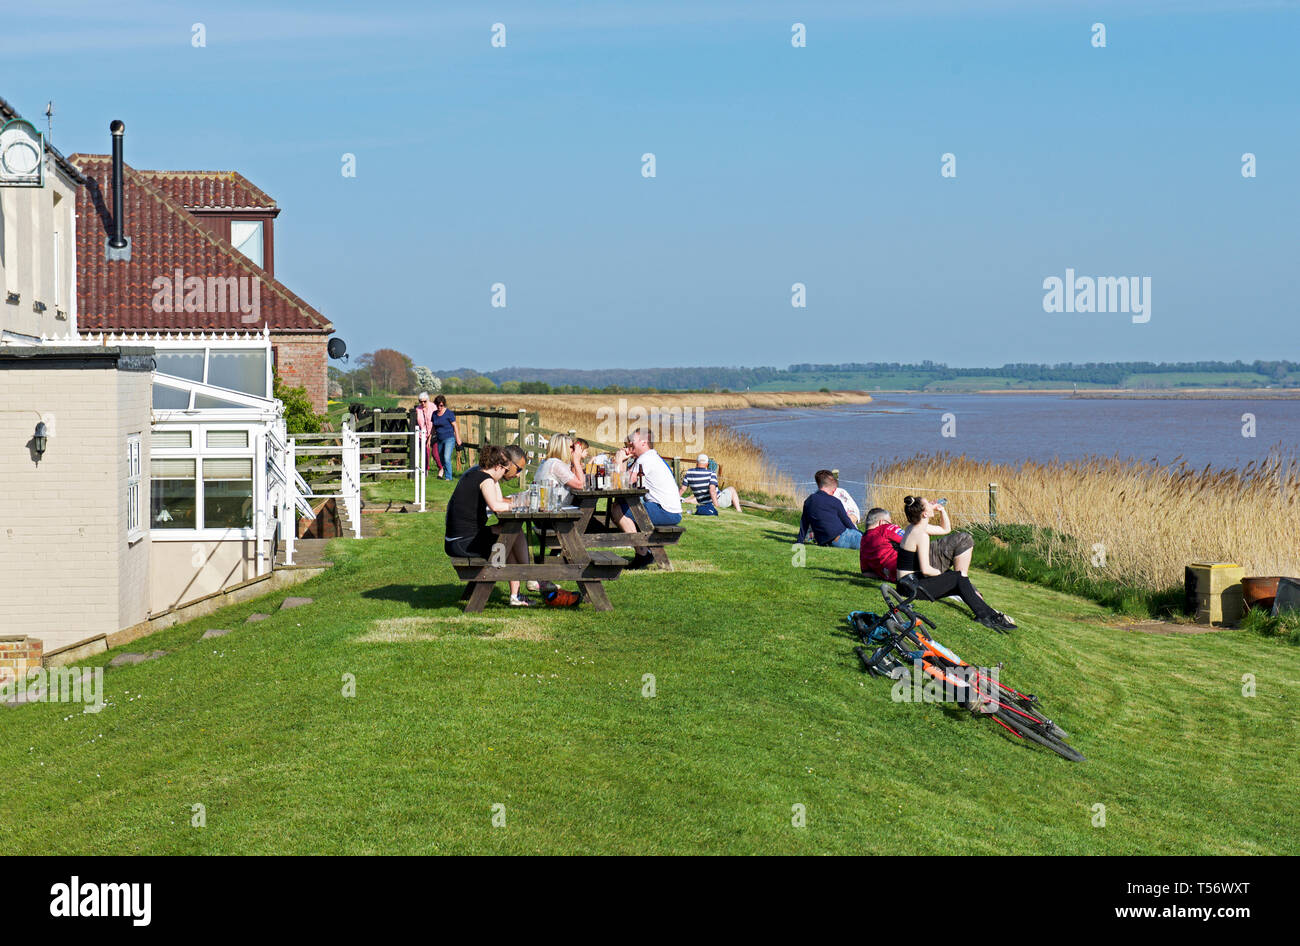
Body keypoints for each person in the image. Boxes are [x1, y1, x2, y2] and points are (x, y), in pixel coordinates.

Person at [895, 495, 1015, 630]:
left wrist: (941, 510)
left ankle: (988, 615)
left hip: (905, 584)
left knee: (959, 581)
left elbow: (945, 530)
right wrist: (944, 573)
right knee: (957, 577)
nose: (931, 503)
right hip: (911, 587)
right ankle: (989, 617)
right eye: (928, 504)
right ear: (925, 514)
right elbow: (926, 570)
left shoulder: (913, 527)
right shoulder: (921, 535)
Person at [443, 445, 534, 606]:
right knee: (509, 538)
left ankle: (519, 590)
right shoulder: (485, 479)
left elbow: (499, 500)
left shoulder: (480, 475)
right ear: (498, 467)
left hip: (457, 539)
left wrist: (517, 502)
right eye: (505, 469)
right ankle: (529, 578)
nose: (505, 473)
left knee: (511, 533)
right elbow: (496, 506)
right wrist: (522, 505)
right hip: (463, 542)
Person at [612, 428, 682, 567]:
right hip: (667, 510)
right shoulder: (648, 457)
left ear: (644, 442)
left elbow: (619, 483)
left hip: (666, 511)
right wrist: (624, 460)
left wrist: (618, 460)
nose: (630, 443)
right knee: (620, 504)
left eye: (633, 441)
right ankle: (644, 551)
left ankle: (642, 553)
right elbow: (626, 480)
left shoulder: (646, 459)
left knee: (617, 509)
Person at [797, 470, 862, 549]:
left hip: (823, 541)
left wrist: (799, 541)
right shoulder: (835, 501)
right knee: (873, 542)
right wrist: (859, 534)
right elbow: (847, 522)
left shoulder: (808, 501)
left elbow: (804, 524)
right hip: (842, 538)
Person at [535, 433, 587, 507]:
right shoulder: (556, 465)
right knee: (589, 500)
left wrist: (573, 463)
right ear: (563, 448)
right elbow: (581, 485)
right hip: (553, 509)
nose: (573, 450)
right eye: (571, 447)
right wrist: (576, 460)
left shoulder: (548, 462)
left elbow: (574, 480)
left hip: (547, 506)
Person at [859, 506, 906, 580]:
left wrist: (884, 575)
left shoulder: (863, 541)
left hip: (893, 576)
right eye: (889, 523)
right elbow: (911, 539)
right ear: (882, 522)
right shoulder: (885, 529)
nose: (890, 524)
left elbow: (866, 573)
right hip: (907, 569)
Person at [431, 395, 461, 481]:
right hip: (439, 438)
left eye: (441, 405)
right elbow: (433, 427)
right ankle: (444, 472)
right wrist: (430, 438)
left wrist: (458, 438)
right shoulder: (434, 414)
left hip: (449, 438)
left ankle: (449, 477)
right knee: (441, 458)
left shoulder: (449, 413)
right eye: (438, 405)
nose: (439, 407)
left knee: (446, 457)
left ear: (444, 404)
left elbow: (455, 425)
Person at [413, 392, 443, 476]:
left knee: (435, 454)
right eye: (420, 401)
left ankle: (441, 468)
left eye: (424, 401)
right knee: (425, 452)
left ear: (428, 400)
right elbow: (417, 422)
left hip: (434, 433)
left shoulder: (433, 407)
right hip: (422, 434)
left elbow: (437, 420)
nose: (422, 403)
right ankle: (425, 470)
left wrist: (431, 435)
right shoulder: (418, 409)